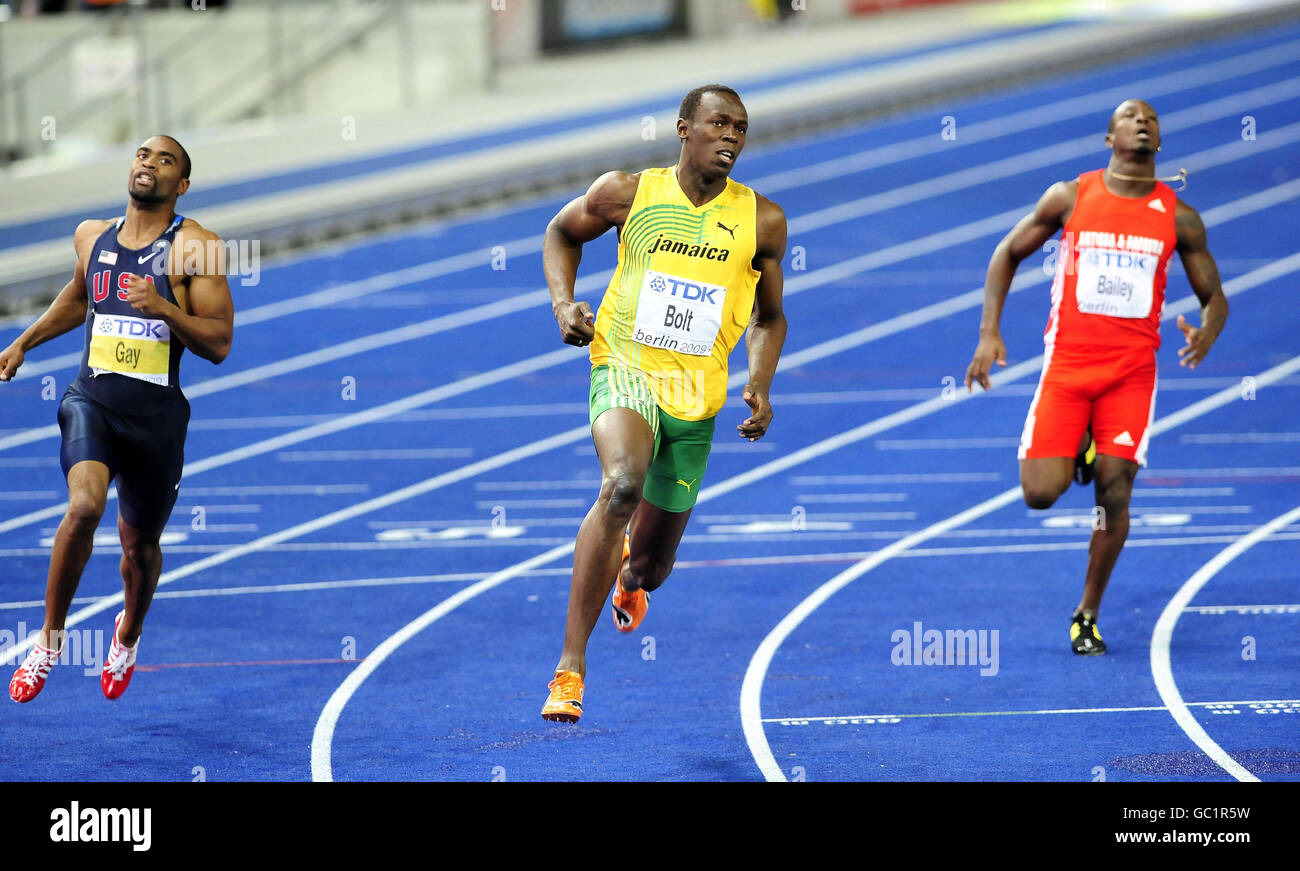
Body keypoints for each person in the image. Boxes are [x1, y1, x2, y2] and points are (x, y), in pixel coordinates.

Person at [541, 85, 788, 721]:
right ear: (684, 128)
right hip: (624, 366)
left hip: (696, 395)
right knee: (621, 484)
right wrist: (563, 304)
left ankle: (629, 578)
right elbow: (561, 234)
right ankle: (570, 667)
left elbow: (771, 317)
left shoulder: (762, 221)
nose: (731, 137)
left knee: (653, 565)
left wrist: (760, 380)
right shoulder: (626, 193)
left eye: (741, 128)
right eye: (718, 124)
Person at [964, 100, 1228, 654]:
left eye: (1152, 118)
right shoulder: (1070, 197)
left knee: (1115, 489)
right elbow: (1005, 254)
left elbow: (1215, 298)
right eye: (1131, 116)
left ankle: (1086, 612)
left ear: (1160, 140)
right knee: (1040, 494)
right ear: (1110, 137)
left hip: (1131, 376)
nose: (1143, 122)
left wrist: (1207, 331)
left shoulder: (1178, 216)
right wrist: (990, 333)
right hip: (1067, 368)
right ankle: (1080, 449)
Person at [2, 134, 234, 701]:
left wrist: (162, 307)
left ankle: (127, 632)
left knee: (139, 547)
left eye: (165, 160)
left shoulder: (196, 248)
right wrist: (24, 342)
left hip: (156, 418)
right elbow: (80, 298)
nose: (149, 164)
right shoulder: (91, 236)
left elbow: (220, 342)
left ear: (180, 185)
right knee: (84, 506)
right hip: (93, 402)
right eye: (142, 154)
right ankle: (48, 641)